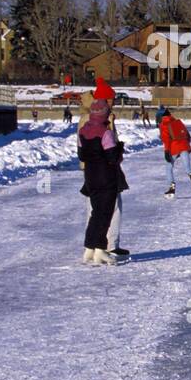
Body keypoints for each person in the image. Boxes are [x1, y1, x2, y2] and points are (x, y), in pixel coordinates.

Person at [77, 97, 129, 265]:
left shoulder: (83, 131)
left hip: (90, 176)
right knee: (105, 214)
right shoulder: (105, 132)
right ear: (104, 114)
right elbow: (113, 158)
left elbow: (81, 155)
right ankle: (100, 250)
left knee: (95, 213)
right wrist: (119, 148)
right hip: (106, 177)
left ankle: (89, 249)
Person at [159, 108, 191, 198]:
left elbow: (166, 139)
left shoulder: (163, 124)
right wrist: (184, 144)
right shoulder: (178, 122)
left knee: (169, 167)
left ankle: (171, 188)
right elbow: (188, 136)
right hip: (184, 145)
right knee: (187, 167)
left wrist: (166, 151)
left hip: (174, 148)